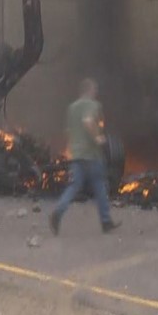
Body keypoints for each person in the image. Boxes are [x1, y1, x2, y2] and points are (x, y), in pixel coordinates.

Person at [49, 78, 121, 235]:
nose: (96, 92)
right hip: (92, 155)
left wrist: (73, 148)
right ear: (89, 90)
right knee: (100, 187)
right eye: (94, 89)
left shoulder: (72, 108)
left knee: (74, 186)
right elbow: (88, 121)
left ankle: (58, 212)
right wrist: (98, 137)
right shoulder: (93, 105)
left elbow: (68, 132)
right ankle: (106, 221)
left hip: (76, 155)